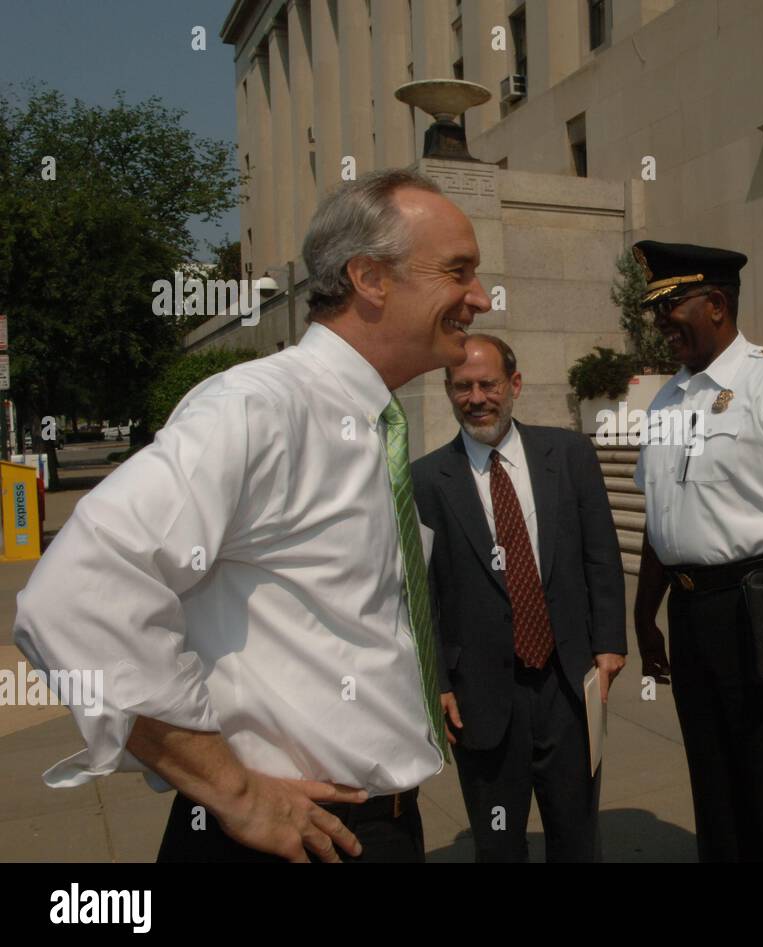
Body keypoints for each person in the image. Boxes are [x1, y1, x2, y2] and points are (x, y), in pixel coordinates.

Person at [13, 168, 490, 862]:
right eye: (458, 272)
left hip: (373, 823)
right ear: (371, 278)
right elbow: (71, 599)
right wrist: (235, 792)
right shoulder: (260, 407)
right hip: (286, 836)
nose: (478, 297)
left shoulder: (370, 421)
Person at [631, 240, 763, 862]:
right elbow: (661, 513)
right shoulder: (667, 397)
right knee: (714, 784)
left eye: (672, 308)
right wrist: (645, 613)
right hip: (694, 616)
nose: (661, 325)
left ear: (716, 304)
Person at [411, 334, 625, 862]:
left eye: (488, 383)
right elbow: (426, 592)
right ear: (447, 391)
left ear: (515, 385)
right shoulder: (425, 480)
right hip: (479, 693)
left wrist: (610, 643)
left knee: (576, 836)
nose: (477, 397)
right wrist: (436, 681)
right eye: (463, 386)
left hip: (568, 683)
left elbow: (601, 554)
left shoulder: (570, 455)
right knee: (499, 845)